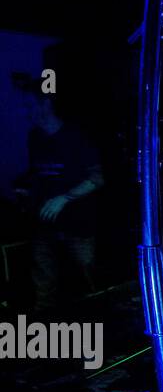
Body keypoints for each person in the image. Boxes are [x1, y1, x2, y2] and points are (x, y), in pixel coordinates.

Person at [14, 83, 103, 308]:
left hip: (78, 223)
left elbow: (97, 178)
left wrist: (63, 198)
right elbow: (40, 172)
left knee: (88, 279)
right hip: (45, 222)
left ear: (46, 103)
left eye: (29, 105)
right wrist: (27, 190)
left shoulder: (76, 136)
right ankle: (44, 331)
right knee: (44, 285)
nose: (24, 111)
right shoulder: (34, 137)